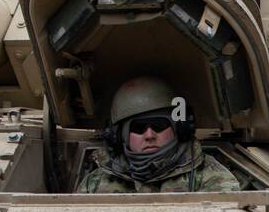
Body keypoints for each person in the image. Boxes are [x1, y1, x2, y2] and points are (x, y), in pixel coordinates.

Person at [77, 76, 240, 193]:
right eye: (139, 128)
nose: (149, 135)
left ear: (179, 128)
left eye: (158, 125)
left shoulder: (210, 177)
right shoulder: (96, 183)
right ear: (120, 135)